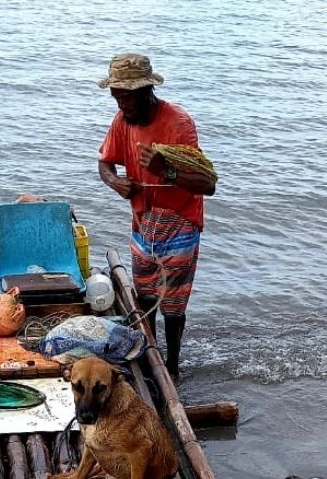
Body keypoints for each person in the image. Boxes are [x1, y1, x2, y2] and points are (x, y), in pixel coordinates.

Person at [96, 53, 216, 379]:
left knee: (173, 305)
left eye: (127, 96)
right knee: (146, 294)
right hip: (143, 221)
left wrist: (167, 171)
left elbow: (207, 184)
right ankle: (151, 358)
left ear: (146, 90)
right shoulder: (122, 121)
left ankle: (172, 368)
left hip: (179, 222)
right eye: (116, 96)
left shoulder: (178, 123)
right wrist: (115, 182)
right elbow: (104, 163)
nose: (121, 104)